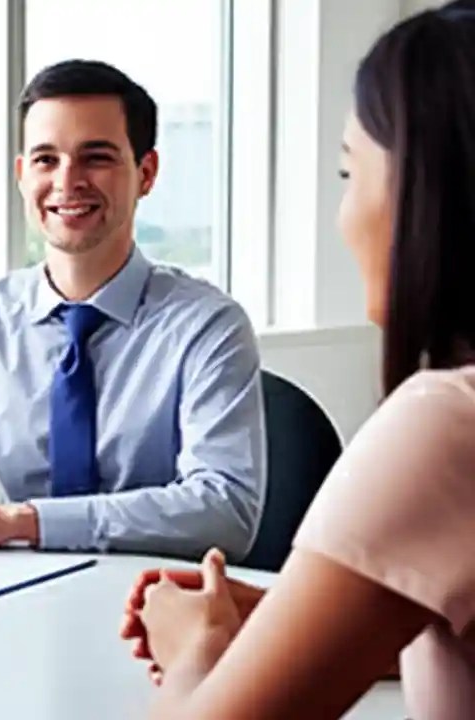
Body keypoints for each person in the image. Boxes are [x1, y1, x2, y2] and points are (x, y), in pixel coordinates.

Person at [119, 3, 475, 717]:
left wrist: (202, 649)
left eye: (349, 173)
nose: (343, 218)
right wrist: (311, 613)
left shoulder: (445, 424)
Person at [0, 59, 265, 561]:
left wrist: (17, 521)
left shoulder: (208, 327)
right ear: (23, 176)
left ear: (146, 173)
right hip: (10, 598)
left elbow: (225, 509)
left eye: (97, 158)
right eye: (46, 160)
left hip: (159, 607)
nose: (68, 182)